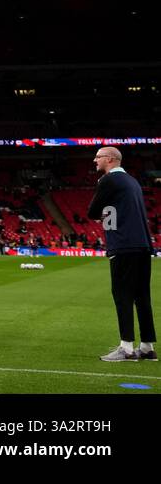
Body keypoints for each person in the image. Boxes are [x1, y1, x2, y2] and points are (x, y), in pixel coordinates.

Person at [87, 147, 156, 361]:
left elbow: (92, 212)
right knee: (142, 296)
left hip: (123, 244)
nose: (94, 160)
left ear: (110, 159)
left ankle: (126, 348)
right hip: (142, 244)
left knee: (122, 295)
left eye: (98, 157)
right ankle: (147, 347)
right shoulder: (133, 181)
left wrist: (104, 212)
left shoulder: (108, 181)